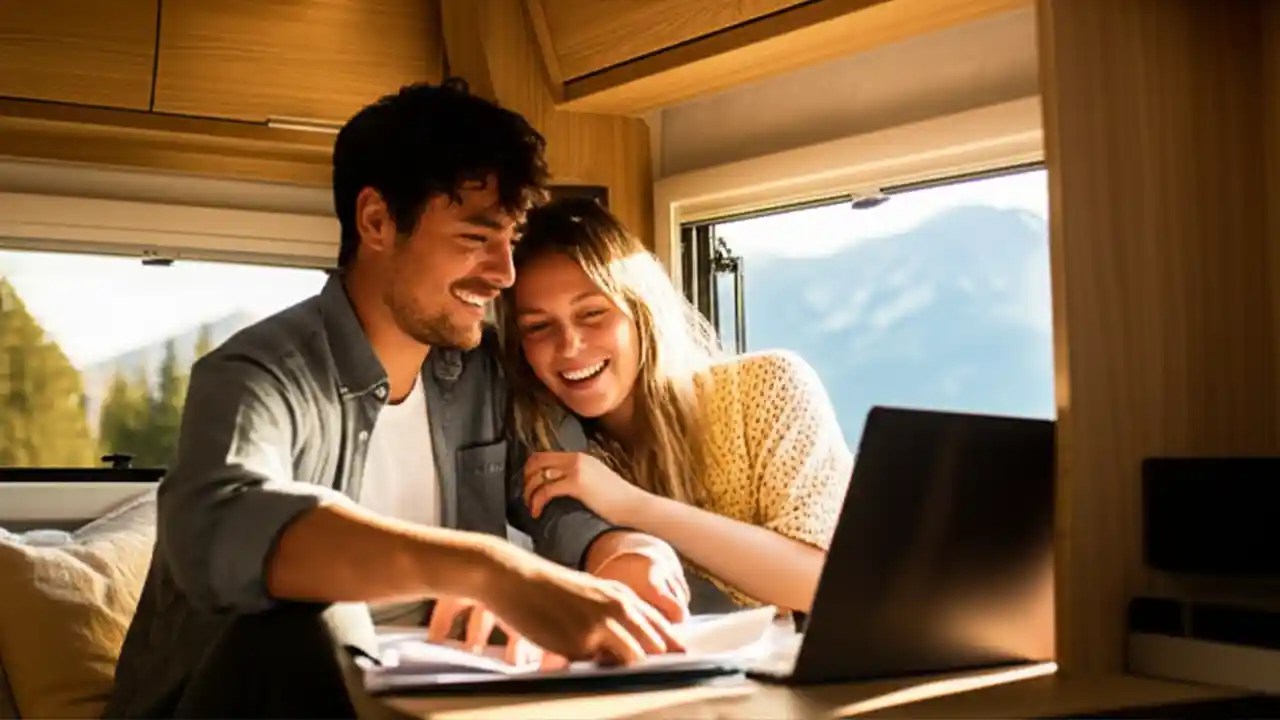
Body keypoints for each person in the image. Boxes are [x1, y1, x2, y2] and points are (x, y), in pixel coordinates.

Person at [106, 80, 689, 719]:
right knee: (310, 621)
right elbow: (218, 527)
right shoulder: (256, 373)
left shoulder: (486, 376)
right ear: (377, 221)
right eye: (475, 239)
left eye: (509, 241)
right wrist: (484, 567)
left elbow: (566, 503)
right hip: (233, 700)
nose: (504, 275)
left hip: (423, 702)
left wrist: (628, 557)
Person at [500, 197, 854, 614]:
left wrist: (630, 504)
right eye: (539, 327)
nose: (570, 345)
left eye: (592, 313)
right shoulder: (555, 447)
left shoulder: (769, 387)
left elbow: (823, 583)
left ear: (641, 312)